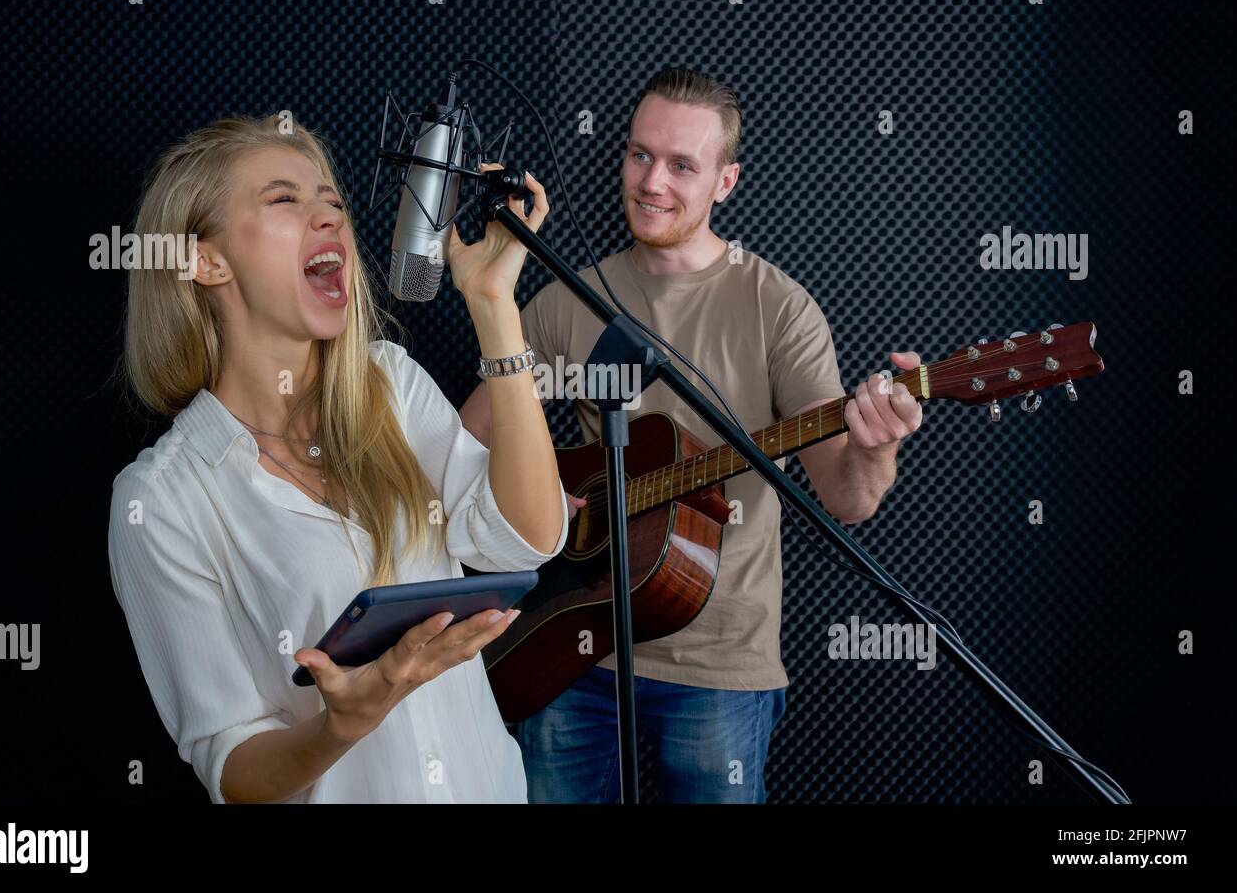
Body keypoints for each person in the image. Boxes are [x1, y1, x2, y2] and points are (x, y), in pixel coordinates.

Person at [459, 67, 925, 802]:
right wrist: (536, 492)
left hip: (720, 668)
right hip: (574, 645)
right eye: (640, 155)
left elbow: (847, 498)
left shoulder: (779, 308)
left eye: (682, 165)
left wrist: (876, 444)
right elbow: (463, 447)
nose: (652, 182)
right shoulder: (564, 302)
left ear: (726, 181)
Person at [108, 114, 568, 803]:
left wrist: (494, 304)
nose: (329, 217)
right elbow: (232, 764)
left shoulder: (393, 385)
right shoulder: (162, 501)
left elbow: (527, 537)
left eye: (334, 202)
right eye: (285, 200)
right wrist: (341, 724)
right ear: (204, 259)